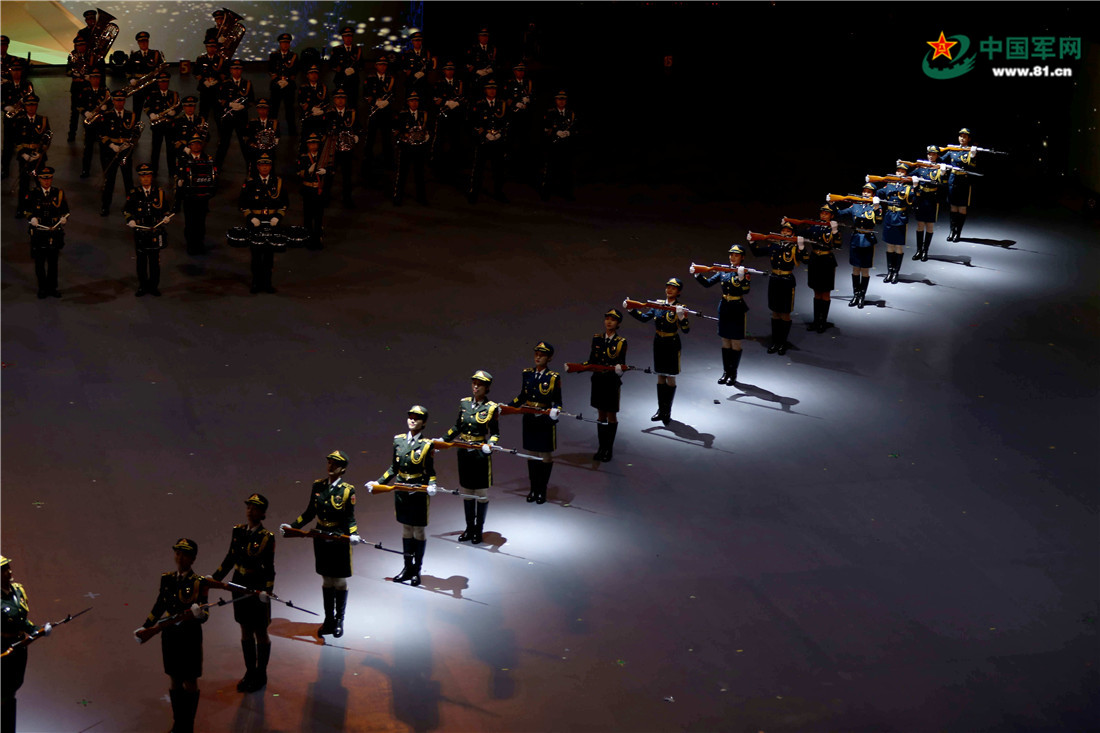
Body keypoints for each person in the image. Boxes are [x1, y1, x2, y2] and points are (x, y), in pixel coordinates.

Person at [133, 539, 209, 733]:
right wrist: (146, 626)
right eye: (177, 553)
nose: (179, 557)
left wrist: (199, 614)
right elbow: (159, 606)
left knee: (190, 680)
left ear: (192, 558)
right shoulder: (167, 579)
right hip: (171, 635)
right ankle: (179, 722)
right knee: (174, 678)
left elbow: (205, 614)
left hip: (190, 636)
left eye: (184, 554)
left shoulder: (199, 583)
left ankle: (188, 725)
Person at [282, 451, 359, 638]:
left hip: (339, 538)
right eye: (329, 462)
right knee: (326, 580)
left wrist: (354, 534)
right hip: (321, 537)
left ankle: (340, 619)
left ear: (343, 469)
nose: (330, 466)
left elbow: (349, 517)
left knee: (339, 581)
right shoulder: (318, 486)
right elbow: (309, 512)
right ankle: (329, 619)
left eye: (335, 464)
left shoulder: (348, 490)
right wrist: (293, 527)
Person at [209, 494, 275, 693]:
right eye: (248, 507)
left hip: (256, 585)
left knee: (260, 631)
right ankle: (250, 671)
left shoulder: (267, 537)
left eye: (254, 508)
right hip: (238, 583)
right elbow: (230, 558)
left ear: (262, 513)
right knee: (245, 628)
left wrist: (267, 590)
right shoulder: (238, 531)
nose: (249, 511)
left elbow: (270, 568)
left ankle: (261, 673)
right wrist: (215, 578)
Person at [367, 407, 437, 586]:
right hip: (401, 490)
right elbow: (393, 468)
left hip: (418, 491)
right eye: (411, 417)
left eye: (417, 418)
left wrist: (432, 484)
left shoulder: (427, 444)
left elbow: (430, 471)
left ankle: (417, 570)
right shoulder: (398, 440)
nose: (413, 420)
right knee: (406, 529)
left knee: (418, 530)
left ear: (424, 423)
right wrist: (379, 482)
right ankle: (407, 567)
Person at [442, 371, 501, 543]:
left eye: (479, 384)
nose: (475, 386)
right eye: (474, 383)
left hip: (480, 453)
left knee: (481, 492)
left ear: (487, 387)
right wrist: (443, 441)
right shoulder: (464, 403)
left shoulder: (491, 407)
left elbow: (495, 433)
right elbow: (457, 427)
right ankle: (469, 528)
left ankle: (478, 530)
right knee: (467, 492)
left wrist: (491, 444)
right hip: (464, 451)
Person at [626, 279, 690, 424]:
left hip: (672, 344)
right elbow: (644, 318)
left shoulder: (680, 307)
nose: (669, 290)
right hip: (659, 343)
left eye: (673, 288)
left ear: (678, 292)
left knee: (671, 378)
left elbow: (686, 330)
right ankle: (660, 410)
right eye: (668, 287)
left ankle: (667, 411)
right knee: (660, 376)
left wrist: (682, 318)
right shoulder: (658, 304)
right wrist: (631, 309)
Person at [2, 555, 51, 733]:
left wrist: (35, 630)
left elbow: (22, 619)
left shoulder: (17, 590)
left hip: (19, 647)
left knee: (13, 686)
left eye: (8, 567)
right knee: (3, 693)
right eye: (4, 570)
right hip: (2, 648)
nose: (9, 572)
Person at [509, 342, 562, 503]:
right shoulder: (527, 374)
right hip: (530, 418)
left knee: (545, 455)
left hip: (545, 420)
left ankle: (542, 490)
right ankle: (533, 488)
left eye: (542, 355)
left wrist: (555, 411)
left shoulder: (553, 377)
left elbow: (558, 401)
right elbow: (522, 396)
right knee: (531, 455)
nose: (538, 357)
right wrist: (508, 407)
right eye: (536, 354)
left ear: (549, 358)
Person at [692, 245, 750, 382]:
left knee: (735, 342)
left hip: (737, 308)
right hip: (724, 307)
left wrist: (741, 279)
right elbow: (707, 283)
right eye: (731, 254)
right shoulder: (723, 271)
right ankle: (726, 372)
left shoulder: (744, 272)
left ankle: (733, 373)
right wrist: (697, 274)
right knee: (725, 341)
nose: (732, 257)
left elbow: (746, 290)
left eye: (736, 255)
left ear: (742, 257)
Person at [238, 153, 288, 293]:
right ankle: (256, 283)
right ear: (258, 166)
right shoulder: (249, 182)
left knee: (269, 254)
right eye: (262, 165)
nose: (265, 168)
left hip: (272, 221)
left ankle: (267, 283)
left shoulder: (277, 182)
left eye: (267, 165)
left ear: (271, 167)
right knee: (255, 254)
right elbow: (242, 203)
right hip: (256, 222)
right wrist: (250, 217)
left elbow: (284, 203)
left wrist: (278, 216)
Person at [583, 309, 628, 461]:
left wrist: (619, 370)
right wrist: (578, 367)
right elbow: (591, 360)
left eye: (613, 320)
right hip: (598, 381)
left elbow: (622, 364)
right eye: (607, 318)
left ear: (618, 323)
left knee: (611, 415)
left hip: (611, 382)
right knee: (601, 414)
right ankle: (601, 447)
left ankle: (609, 449)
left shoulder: (621, 342)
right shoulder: (597, 339)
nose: (609, 322)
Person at [123, 163, 170, 296]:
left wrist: (166, 217)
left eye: (148, 176)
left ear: (151, 177)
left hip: (155, 230)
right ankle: (142, 286)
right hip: (140, 231)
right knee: (141, 260)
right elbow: (127, 210)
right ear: (139, 178)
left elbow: (166, 208)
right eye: (143, 176)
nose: (145, 179)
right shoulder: (134, 193)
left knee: (155, 260)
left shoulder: (159, 193)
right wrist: (130, 220)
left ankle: (154, 285)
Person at [22, 166, 69, 298]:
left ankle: (53, 288)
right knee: (40, 262)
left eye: (49, 179)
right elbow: (25, 209)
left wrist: (64, 218)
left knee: (53, 262)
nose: (47, 182)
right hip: (39, 231)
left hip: (54, 231)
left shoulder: (58, 193)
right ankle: (42, 288)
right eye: (44, 179)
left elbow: (66, 210)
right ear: (39, 179)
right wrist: (31, 218)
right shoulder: (32, 193)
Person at [792, 206, 840, 332]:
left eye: (827, 214)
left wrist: (835, 232)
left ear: (832, 216)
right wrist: (793, 225)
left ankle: (822, 322)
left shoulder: (833, 228)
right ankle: (816, 321)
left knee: (825, 292)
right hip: (815, 260)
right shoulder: (814, 227)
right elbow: (799, 234)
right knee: (816, 291)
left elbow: (838, 245)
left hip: (827, 261)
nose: (823, 215)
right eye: (822, 213)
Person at [835, 183, 882, 309]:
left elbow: (879, 220)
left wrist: (877, 208)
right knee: (855, 269)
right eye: (864, 191)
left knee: (865, 270)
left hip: (867, 240)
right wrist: (832, 203)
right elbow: (840, 213)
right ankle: (855, 295)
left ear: (873, 194)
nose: (866, 193)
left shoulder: (875, 206)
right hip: (856, 238)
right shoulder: (855, 205)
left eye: (869, 192)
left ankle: (862, 295)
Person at [174, 134, 217, 255]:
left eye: (198, 144)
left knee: (200, 223)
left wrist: (210, 193)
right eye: (194, 144)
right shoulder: (183, 159)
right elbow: (179, 174)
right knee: (190, 222)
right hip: (189, 197)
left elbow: (213, 177)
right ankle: (191, 245)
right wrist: (180, 183)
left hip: (202, 197)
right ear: (190, 146)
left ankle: (200, 244)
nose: (196, 146)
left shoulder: (208, 159)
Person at [467, 79, 509, 203]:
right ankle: (473, 193)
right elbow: (472, 122)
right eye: (489, 88)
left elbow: (507, 121)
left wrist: (501, 133)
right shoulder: (478, 104)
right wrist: (484, 133)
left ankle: (498, 193)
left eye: (494, 88)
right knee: (478, 169)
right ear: (485, 90)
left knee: (498, 170)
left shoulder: (502, 104)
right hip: (483, 141)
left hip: (498, 141)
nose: (492, 91)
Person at [874, 164, 917, 283]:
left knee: (898, 246)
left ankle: (896, 273)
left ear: (906, 174)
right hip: (889, 216)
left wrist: (915, 186)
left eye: (902, 172)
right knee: (889, 245)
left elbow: (913, 199)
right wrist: (876, 197)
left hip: (899, 217)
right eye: (898, 171)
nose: (899, 174)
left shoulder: (908, 187)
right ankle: (890, 271)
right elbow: (880, 192)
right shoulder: (890, 184)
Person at [98, 90, 138, 216]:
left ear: (124, 101)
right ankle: (105, 206)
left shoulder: (130, 115)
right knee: (109, 180)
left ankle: (130, 205)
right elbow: (101, 134)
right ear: (113, 101)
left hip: (125, 151)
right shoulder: (106, 116)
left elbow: (134, 133)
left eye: (121, 100)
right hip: (111, 152)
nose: (119, 102)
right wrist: (111, 145)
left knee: (128, 180)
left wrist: (130, 143)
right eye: (117, 100)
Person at [10, 94, 50, 217]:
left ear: (36, 106)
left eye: (33, 105)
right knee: (24, 184)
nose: (31, 108)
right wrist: (23, 154)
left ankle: (43, 208)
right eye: (28, 105)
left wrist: (39, 153)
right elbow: (16, 139)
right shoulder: (19, 120)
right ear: (25, 107)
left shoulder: (42, 120)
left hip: (38, 157)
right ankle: (21, 207)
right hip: (25, 156)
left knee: (41, 184)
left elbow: (47, 138)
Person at [214, 59, 254, 168]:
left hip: (241, 117)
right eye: (234, 69)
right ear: (231, 70)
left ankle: (250, 167)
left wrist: (243, 106)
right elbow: (220, 100)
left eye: (239, 69)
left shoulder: (247, 83)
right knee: (223, 143)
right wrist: (229, 104)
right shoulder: (225, 84)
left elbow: (251, 100)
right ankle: (216, 168)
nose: (237, 71)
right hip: (228, 118)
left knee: (245, 143)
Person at [392, 91, 429, 205]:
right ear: (408, 102)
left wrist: (427, 135)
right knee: (402, 173)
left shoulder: (423, 114)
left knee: (420, 173)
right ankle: (398, 196)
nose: (414, 103)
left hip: (419, 148)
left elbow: (428, 127)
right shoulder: (402, 114)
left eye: (416, 101)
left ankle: (421, 197)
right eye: (412, 101)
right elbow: (395, 130)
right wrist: (404, 135)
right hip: (406, 147)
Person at [941, 127, 977, 242]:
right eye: (961, 136)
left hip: (964, 181)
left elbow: (972, 166)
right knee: (953, 207)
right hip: (953, 180)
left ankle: (958, 233)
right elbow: (941, 159)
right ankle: (952, 231)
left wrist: (972, 155)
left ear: (969, 139)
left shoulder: (971, 150)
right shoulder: (953, 150)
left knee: (962, 208)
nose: (962, 138)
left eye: (965, 136)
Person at [323, 89, 358, 208]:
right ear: (334, 100)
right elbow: (324, 129)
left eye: (343, 98)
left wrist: (357, 135)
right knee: (329, 174)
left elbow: (358, 126)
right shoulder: (328, 113)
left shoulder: (351, 112)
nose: (340, 100)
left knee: (347, 175)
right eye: (338, 98)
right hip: (333, 148)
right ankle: (326, 197)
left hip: (347, 149)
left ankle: (347, 198)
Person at [540, 90, 578, 200]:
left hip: (566, 146)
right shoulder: (550, 112)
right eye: (559, 99)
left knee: (567, 170)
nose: (561, 102)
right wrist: (555, 132)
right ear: (556, 100)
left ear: (566, 101)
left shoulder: (571, 113)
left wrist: (569, 133)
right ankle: (546, 194)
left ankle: (567, 193)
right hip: (553, 146)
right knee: (550, 170)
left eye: (563, 99)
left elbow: (576, 127)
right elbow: (545, 128)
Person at [362, 56, 396, 177]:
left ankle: (389, 162)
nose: (382, 66)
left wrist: (387, 102)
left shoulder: (390, 78)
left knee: (387, 137)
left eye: (384, 64)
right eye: (380, 64)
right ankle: (367, 163)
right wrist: (375, 102)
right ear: (376, 66)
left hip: (386, 113)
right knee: (370, 138)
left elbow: (394, 93)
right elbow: (366, 93)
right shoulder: (370, 78)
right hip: (374, 112)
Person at [913, 145, 946, 261]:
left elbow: (943, 183)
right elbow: (910, 175)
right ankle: (919, 250)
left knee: (930, 226)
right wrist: (914, 182)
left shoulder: (939, 167)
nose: (931, 156)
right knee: (920, 225)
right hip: (921, 198)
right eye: (929, 154)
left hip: (932, 198)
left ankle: (925, 251)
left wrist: (942, 172)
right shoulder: (921, 166)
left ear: (937, 155)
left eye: (933, 154)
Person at [143, 71, 180, 176]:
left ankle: (172, 171)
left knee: (171, 150)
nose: (164, 84)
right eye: (161, 82)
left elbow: (179, 106)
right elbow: (146, 107)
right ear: (158, 83)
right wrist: (151, 114)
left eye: (166, 82)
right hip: (158, 126)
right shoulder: (153, 95)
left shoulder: (174, 94)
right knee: (155, 149)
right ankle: (154, 170)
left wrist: (175, 112)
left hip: (170, 126)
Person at [77, 69, 109, 178]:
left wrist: (106, 108)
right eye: (94, 78)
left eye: (98, 78)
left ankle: (106, 171)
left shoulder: (105, 90)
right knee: (88, 149)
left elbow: (111, 104)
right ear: (90, 79)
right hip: (90, 124)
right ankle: (85, 170)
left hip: (102, 124)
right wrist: (85, 112)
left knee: (104, 150)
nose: (96, 80)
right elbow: (78, 104)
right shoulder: (85, 90)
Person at [124, 31, 164, 117]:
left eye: (145, 41)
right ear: (138, 43)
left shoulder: (155, 54)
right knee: (137, 110)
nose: (144, 43)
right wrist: (131, 79)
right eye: (141, 41)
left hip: (152, 86)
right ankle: (135, 128)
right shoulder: (134, 55)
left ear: (148, 42)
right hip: (139, 86)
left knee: (155, 109)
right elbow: (128, 70)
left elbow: (161, 69)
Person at [168, 96, 207, 181]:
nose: (190, 108)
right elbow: (174, 139)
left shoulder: (199, 120)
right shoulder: (178, 121)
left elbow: (206, 137)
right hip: (183, 151)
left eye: (192, 106)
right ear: (184, 107)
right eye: (187, 106)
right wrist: (184, 148)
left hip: (197, 150)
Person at [268, 33, 299, 136]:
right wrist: (278, 80)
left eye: (287, 43)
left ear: (289, 44)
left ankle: (292, 132)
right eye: (283, 43)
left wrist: (287, 81)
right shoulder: (274, 55)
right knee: (274, 109)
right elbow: (271, 70)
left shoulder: (293, 56)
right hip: (276, 85)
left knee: (289, 110)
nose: (285, 45)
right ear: (280, 44)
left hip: (288, 85)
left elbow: (294, 71)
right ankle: (271, 131)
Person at [328, 27, 362, 108]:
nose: (348, 38)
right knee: (340, 105)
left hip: (353, 81)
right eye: (346, 36)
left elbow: (361, 64)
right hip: (341, 81)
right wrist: (341, 69)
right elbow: (331, 65)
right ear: (343, 37)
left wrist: (354, 69)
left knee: (353, 105)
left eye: (350, 36)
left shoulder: (357, 50)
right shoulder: (337, 50)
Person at [193, 40, 226, 120]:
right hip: (205, 90)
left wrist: (216, 81)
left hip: (217, 90)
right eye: (209, 46)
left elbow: (224, 74)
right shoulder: (201, 59)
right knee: (203, 114)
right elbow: (196, 73)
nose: (211, 49)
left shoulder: (220, 59)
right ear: (206, 47)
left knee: (218, 114)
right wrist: (204, 81)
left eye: (214, 46)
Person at [65, 36, 89, 142]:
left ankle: (89, 134)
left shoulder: (90, 56)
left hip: (87, 86)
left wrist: (88, 76)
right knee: (74, 112)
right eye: (79, 45)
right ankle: (72, 134)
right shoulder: (72, 55)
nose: (81, 47)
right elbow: (67, 71)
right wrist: (74, 73)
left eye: (82, 45)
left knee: (88, 110)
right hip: (76, 87)